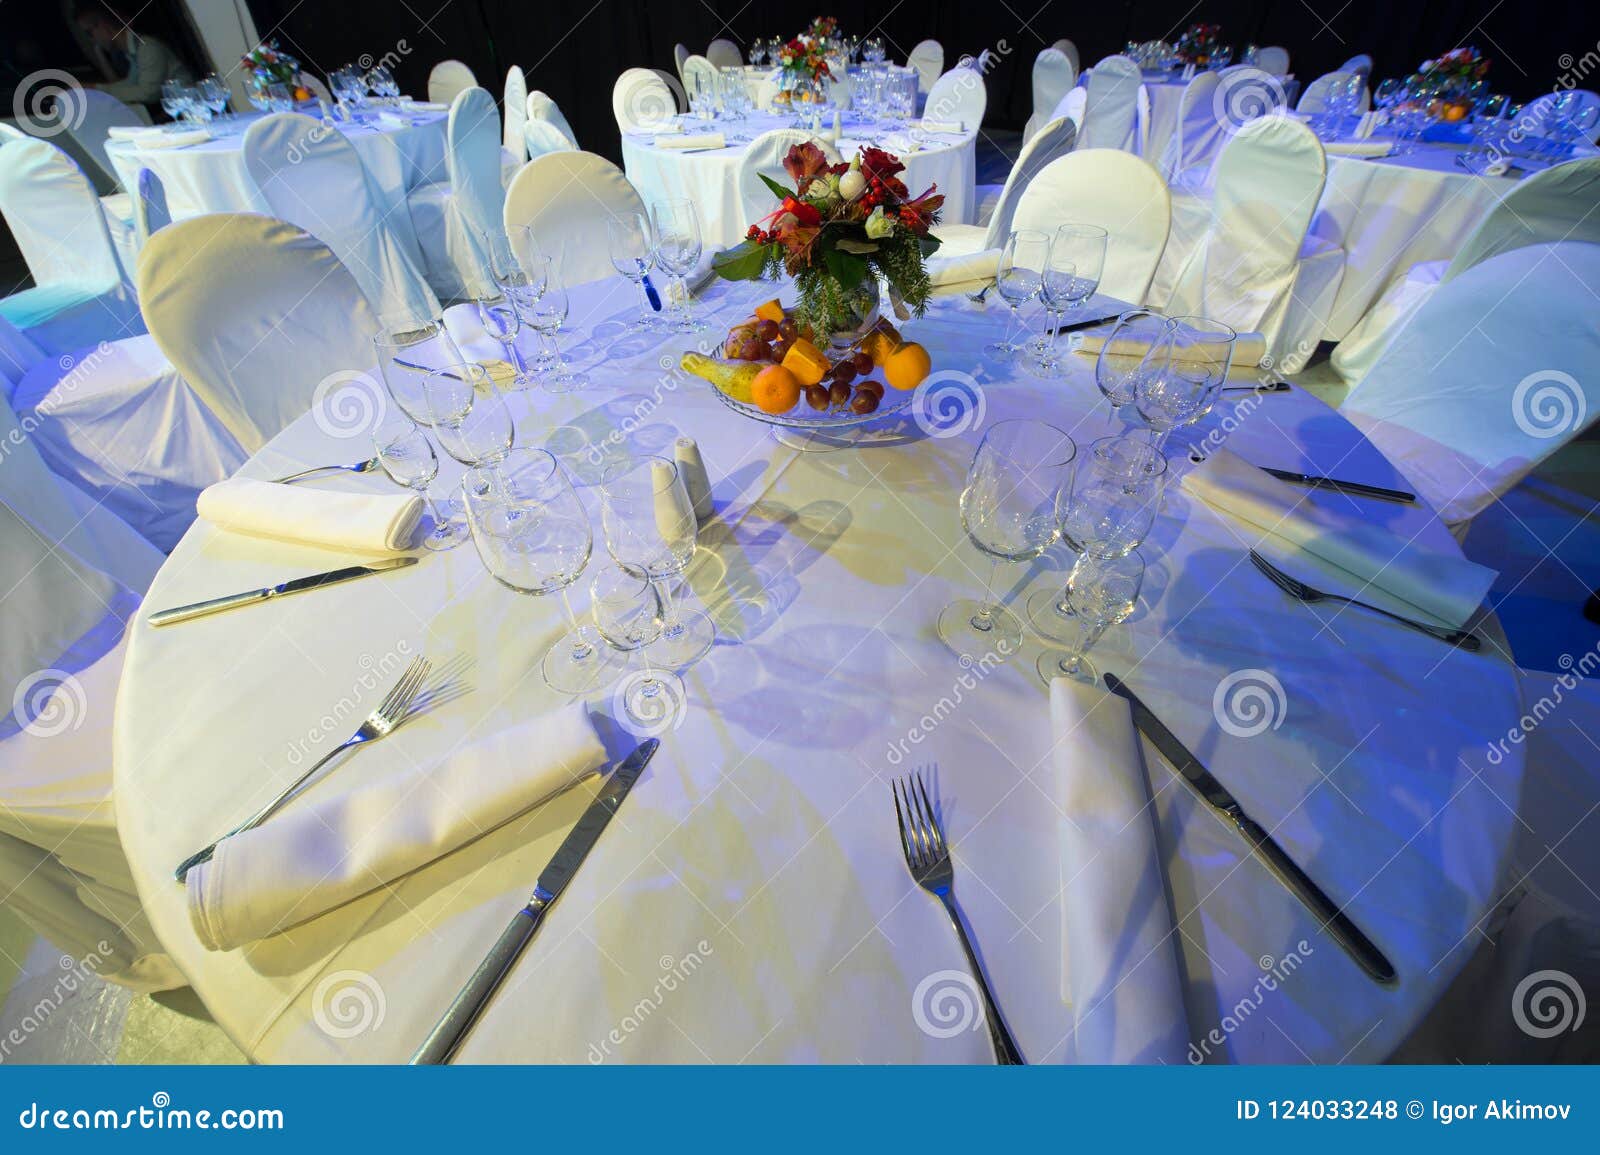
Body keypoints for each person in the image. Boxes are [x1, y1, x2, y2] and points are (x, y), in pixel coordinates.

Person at [74, 0, 193, 107]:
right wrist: (97, 89)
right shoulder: (133, 51)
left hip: (191, 108)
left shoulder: (147, 47)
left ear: (104, 25)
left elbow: (148, 93)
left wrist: (99, 90)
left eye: (90, 33)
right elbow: (131, 84)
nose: (92, 39)